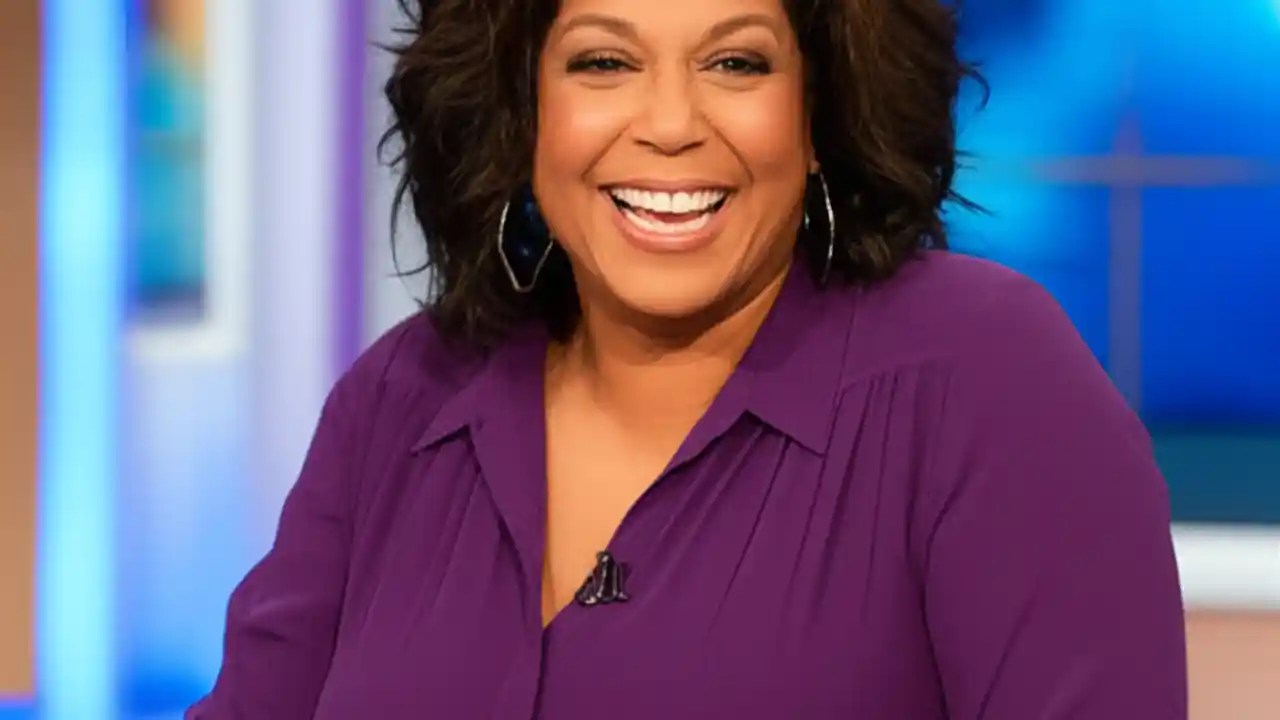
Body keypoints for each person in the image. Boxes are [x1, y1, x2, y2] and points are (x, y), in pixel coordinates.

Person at [188, 0, 1188, 717]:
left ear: (818, 112)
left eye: (736, 63)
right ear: (522, 110)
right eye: (602, 62)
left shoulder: (987, 380)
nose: (669, 125)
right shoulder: (402, 394)